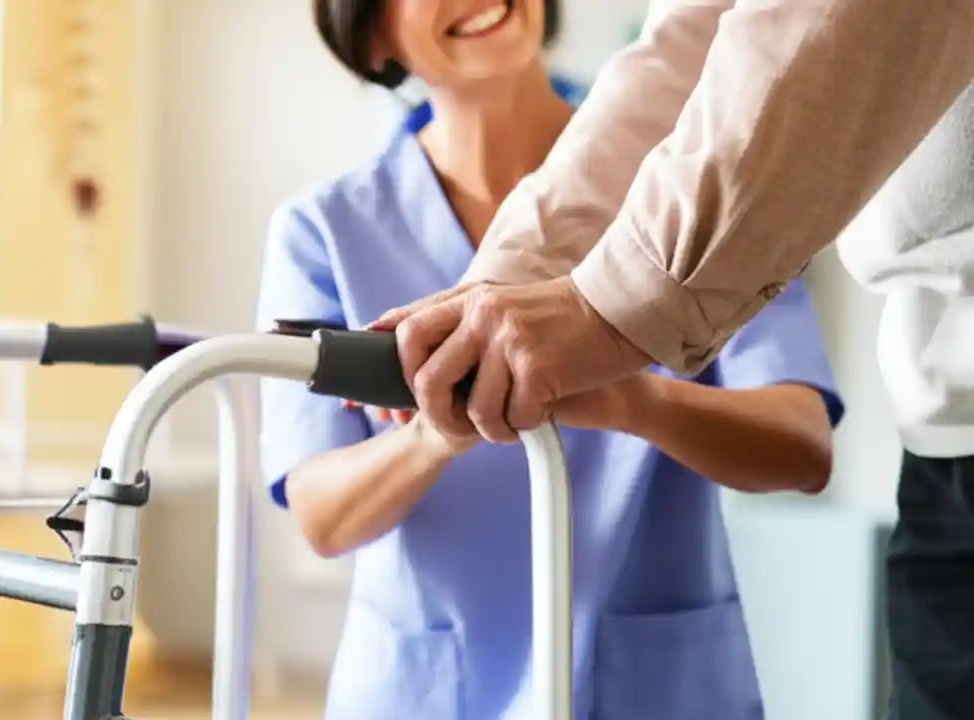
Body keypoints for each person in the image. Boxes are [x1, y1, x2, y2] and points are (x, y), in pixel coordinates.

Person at [371, 2, 974, 718]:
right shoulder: (334, 219)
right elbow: (692, 50)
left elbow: (802, 444)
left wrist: (611, 326)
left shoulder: (728, 230)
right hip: (945, 434)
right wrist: (510, 276)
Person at [256, 1, 843, 717]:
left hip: (652, 687)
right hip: (431, 690)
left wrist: (629, 398)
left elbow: (803, 447)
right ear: (368, 33)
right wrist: (436, 432)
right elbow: (321, 514)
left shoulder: (691, 184)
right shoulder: (324, 230)